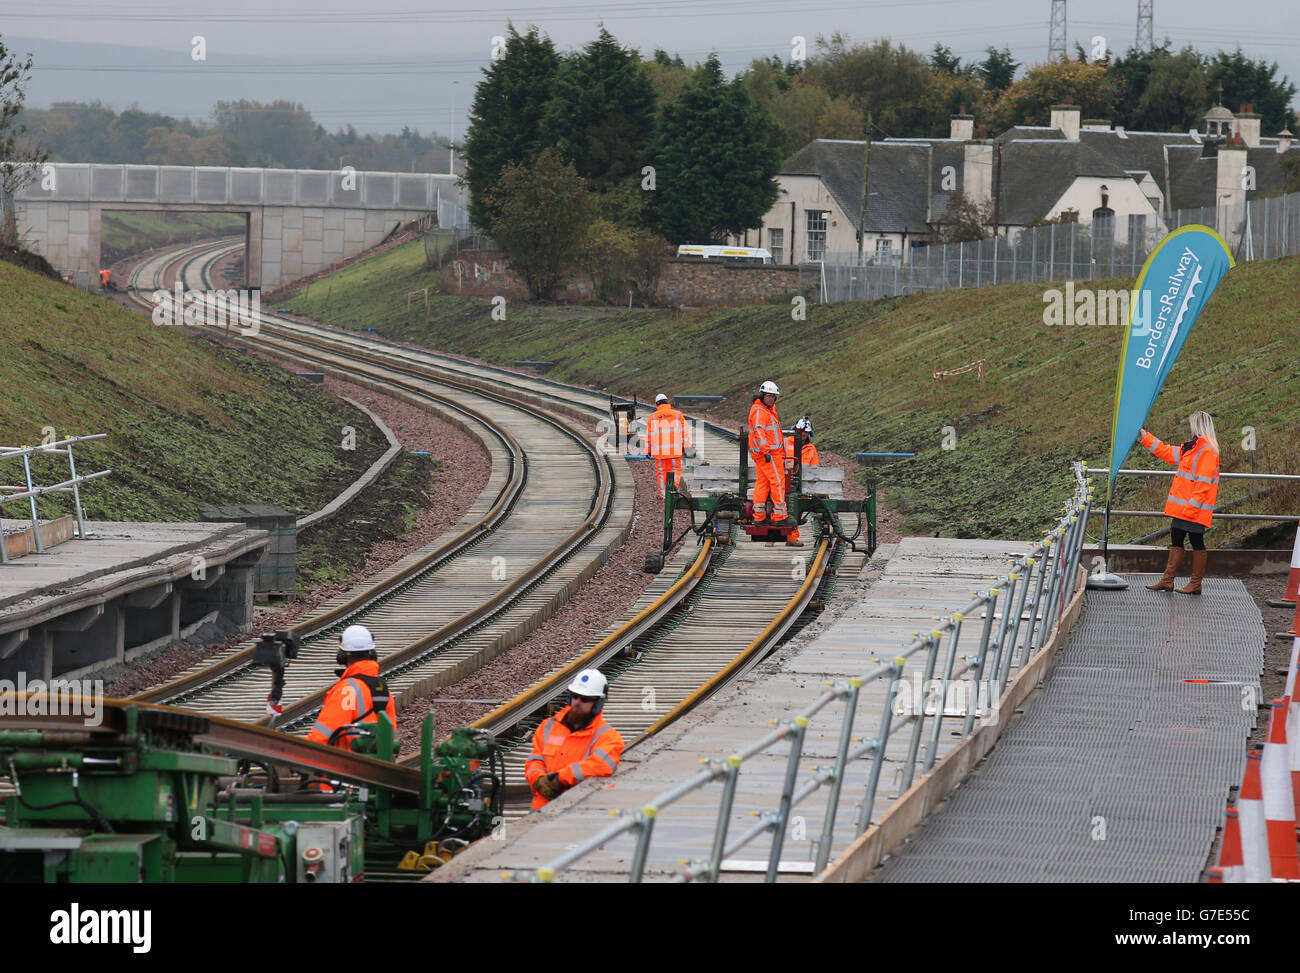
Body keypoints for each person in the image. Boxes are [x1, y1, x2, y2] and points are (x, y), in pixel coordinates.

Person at [1139, 412, 1220, 595]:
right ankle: (1169, 580)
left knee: (1195, 541)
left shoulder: (1206, 450)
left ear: (1198, 426)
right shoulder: (1193, 447)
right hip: (1187, 509)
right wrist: (1147, 438)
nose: (1189, 428)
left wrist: (1191, 509)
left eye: (1191, 424)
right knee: (1178, 538)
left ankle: (1194, 583)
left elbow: (1203, 484)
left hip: (1192, 509)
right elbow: (1167, 452)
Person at [525, 669, 625, 810]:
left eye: (585, 699)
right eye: (575, 696)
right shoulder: (547, 726)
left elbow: (601, 765)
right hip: (541, 809)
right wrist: (539, 779)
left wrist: (560, 779)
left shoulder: (608, 736)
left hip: (578, 810)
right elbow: (534, 761)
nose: (577, 702)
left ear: (597, 703)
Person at [306, 624, 397, 750]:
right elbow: (392, 737)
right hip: (378, 764)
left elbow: (321, 736)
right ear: (372, 653)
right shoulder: (383, 689)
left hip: (347, 763)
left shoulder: (346, 690)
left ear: (342, 655)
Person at [748, 380, 790, 526]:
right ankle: (780, 517)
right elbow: (759, 431)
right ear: (762, 396)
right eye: (768, 396)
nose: (771, 399)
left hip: (766, 454)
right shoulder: (760, 411)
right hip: (769, 454)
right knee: (777, 482)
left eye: (773, 396)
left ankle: (759, 517)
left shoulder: (766, 410)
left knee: (762, 484)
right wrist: (766, 450)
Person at [646, 393, 693, 498]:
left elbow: (649, 436)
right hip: (674, 451)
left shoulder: (652, 417)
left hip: (659, 453)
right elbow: (685, 431)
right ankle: (674, 489)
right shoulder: (677, 414)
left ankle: (663, 494)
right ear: (667, 402)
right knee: (675, 470)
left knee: (662, 473)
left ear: (657, 404)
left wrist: (648, 450)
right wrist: (686, 446)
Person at [783, 418, 820, 547]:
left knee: (795, 509)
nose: (804, 434)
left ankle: (792, 537)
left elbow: (815, 469)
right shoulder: (786, 442)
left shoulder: (811, 449)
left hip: (803, 485)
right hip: (784, 481)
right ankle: (772, 538)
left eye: (806, 432)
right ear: (796, 430)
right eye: (801, 431)